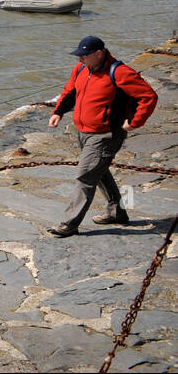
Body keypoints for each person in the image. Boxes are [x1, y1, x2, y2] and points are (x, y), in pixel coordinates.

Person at [47, 36, 158, 237]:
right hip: (83, 131)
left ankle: (69, 223)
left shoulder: (120, 72)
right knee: (99, 171)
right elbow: (70, 92)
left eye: (84, 56)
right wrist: (58, 112)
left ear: (99, 53)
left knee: (85, 176)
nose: (80, 60)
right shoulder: (80, 70)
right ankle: (116, 212)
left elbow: (148, 96)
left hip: (106, 134)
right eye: (78, 55)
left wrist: (135, 121)